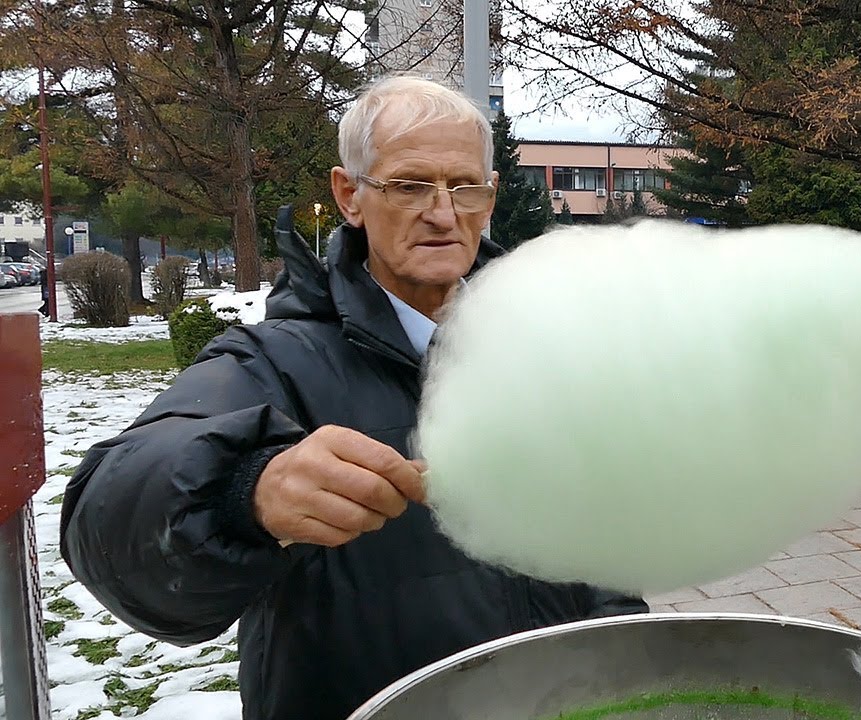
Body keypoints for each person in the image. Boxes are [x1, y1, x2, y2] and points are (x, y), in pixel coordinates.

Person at [59, 75, 648, 720]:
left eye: (464, 187)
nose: (443, 214)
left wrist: (625, 655)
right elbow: (104, 519)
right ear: (350, 196)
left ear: (491, 196)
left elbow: (599, 549)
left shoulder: (540, 347)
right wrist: (244, 493)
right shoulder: (274, 361)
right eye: (409, 185)